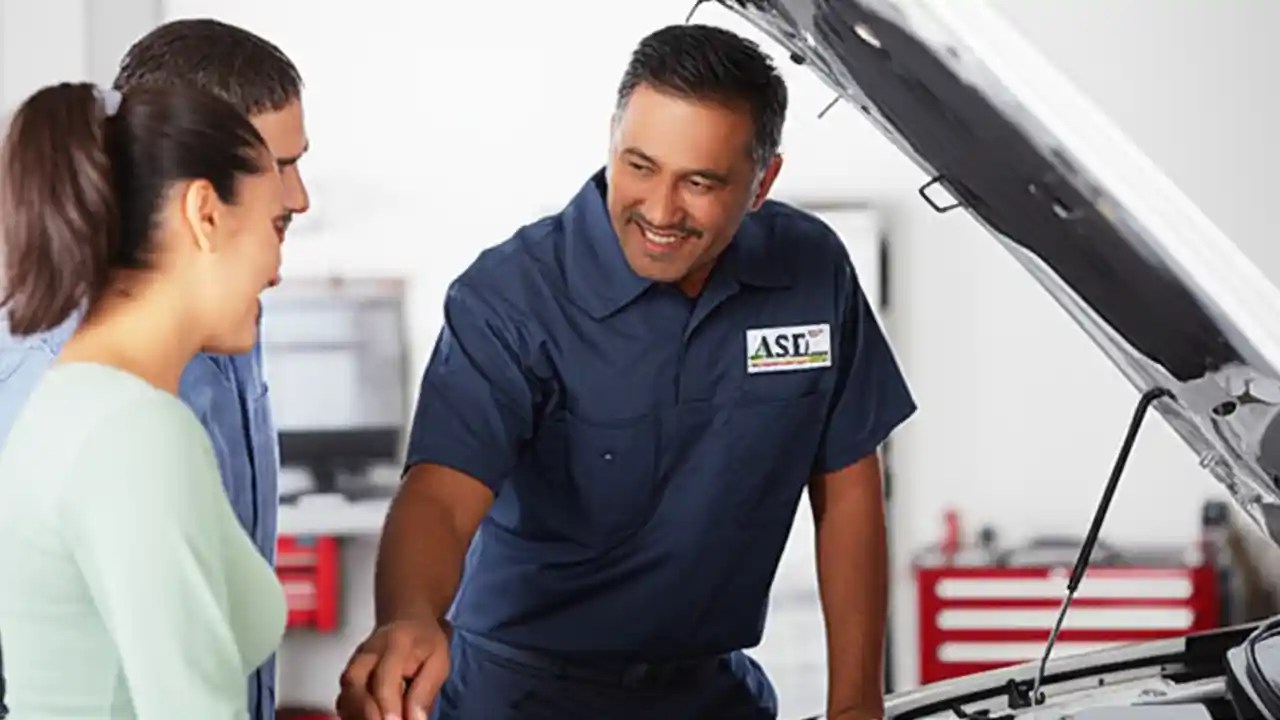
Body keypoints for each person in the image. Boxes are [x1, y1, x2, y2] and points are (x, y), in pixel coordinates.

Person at [337, 23, 915, 720]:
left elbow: (849, 485)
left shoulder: (811, 271)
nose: (660, 211)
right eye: (639, 166)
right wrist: (408, 616)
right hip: (518, 695)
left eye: (699, 182)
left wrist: (856, 704)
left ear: (763, 181)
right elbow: (441, 494)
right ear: (612, 140)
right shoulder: (512, 296)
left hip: (712, 693)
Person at [0, 18, 309, 720]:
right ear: (205, 211)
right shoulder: (129, 432)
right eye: (273, 224)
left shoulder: (103, 399)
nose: (278, 263)